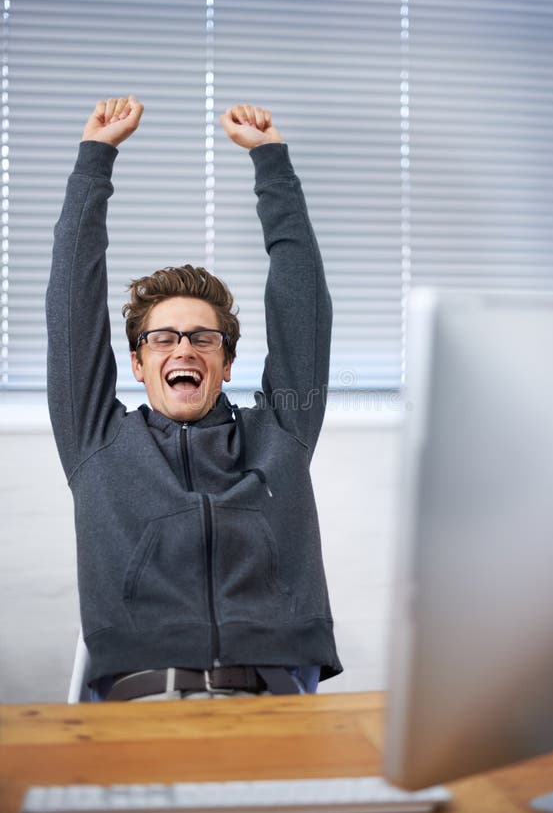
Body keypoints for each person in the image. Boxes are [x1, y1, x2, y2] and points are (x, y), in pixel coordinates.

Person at [46, 96, 342, 701]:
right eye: (163, 337)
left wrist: (271, 164)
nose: (183, 348)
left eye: (202, 338)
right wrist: (95, 161)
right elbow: (70, 298)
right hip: (141, 701)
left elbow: (302, 302)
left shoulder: (279, 435)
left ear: (226, 363)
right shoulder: (98, 440)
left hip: (275, 699)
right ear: (138, 361)